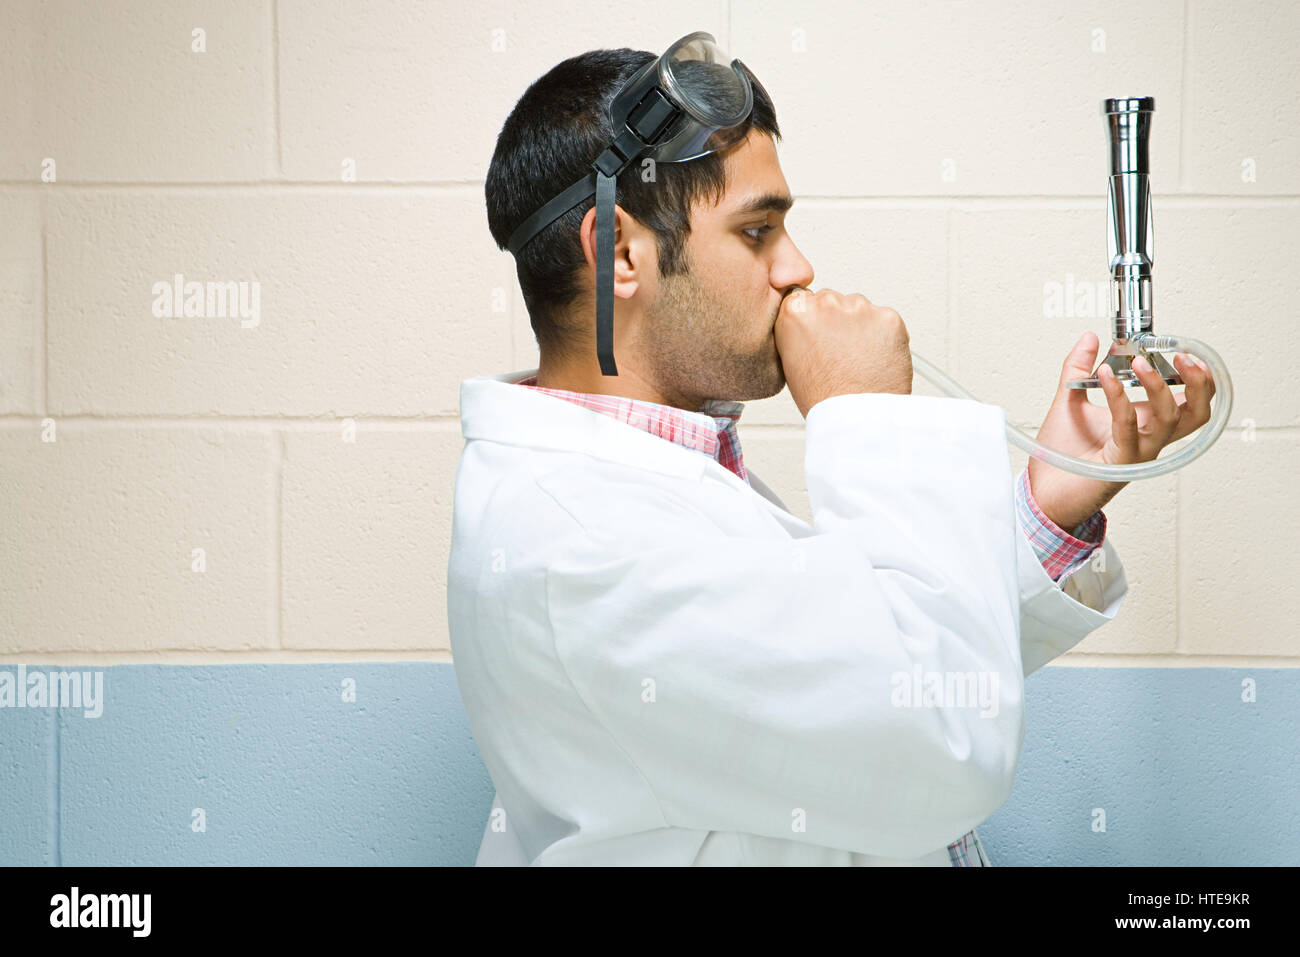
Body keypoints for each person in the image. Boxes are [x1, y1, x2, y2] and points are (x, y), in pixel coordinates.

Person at [447, 37, 1217, 866]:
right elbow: (937, 741)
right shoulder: (584, 542)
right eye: (757, 231)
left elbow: (866, 671)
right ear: (621, 252)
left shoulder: (638, 480)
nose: (798, 267)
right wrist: (866, 417)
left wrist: (1045, 503)